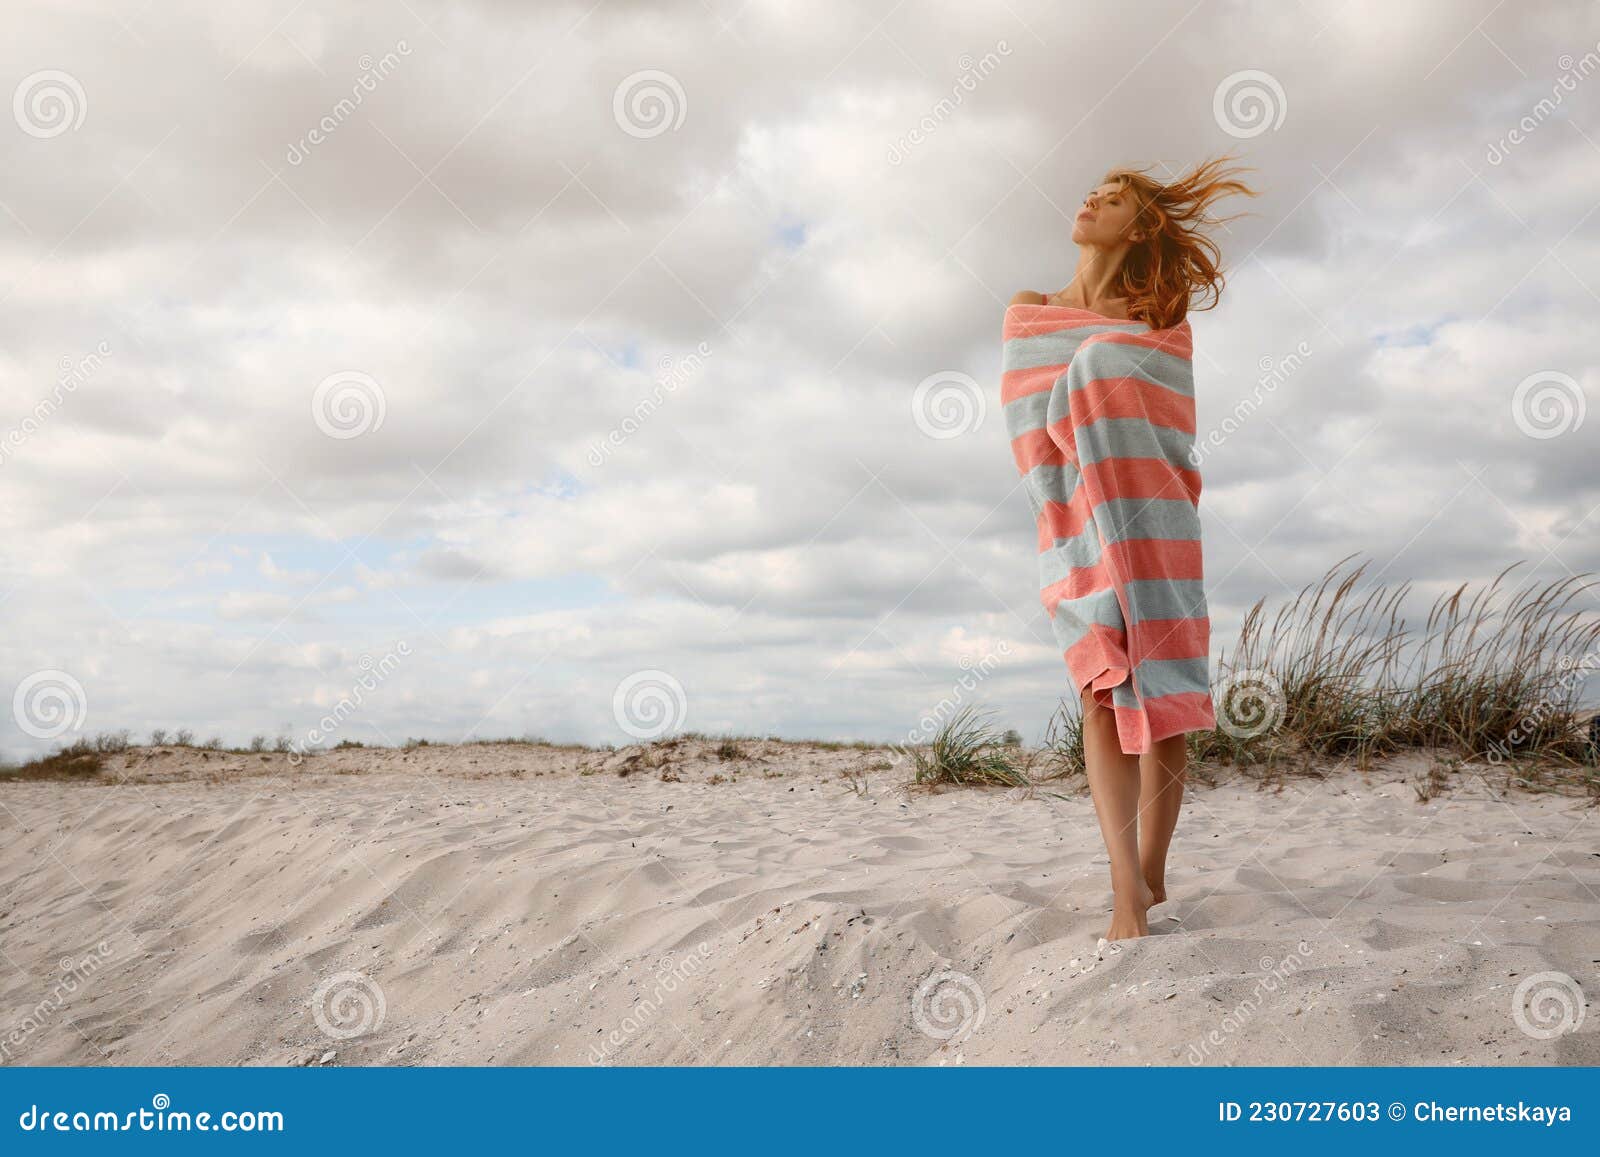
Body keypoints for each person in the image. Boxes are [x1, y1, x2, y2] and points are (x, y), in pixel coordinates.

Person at [1006, 157, 1258, 939]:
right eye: (1091, 190)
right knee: (1099, 692)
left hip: (1154, 521)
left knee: (1165, 699)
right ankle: (1124, 893)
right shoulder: (1030, 308)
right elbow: (1027, 435)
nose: (1090, 199)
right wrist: (1087, 377)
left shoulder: (1158, 324)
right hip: (1076, 523)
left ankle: (1151, 876)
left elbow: (1168, 432)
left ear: (1140, 225)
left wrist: (1098, 370)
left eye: (1111, 199)